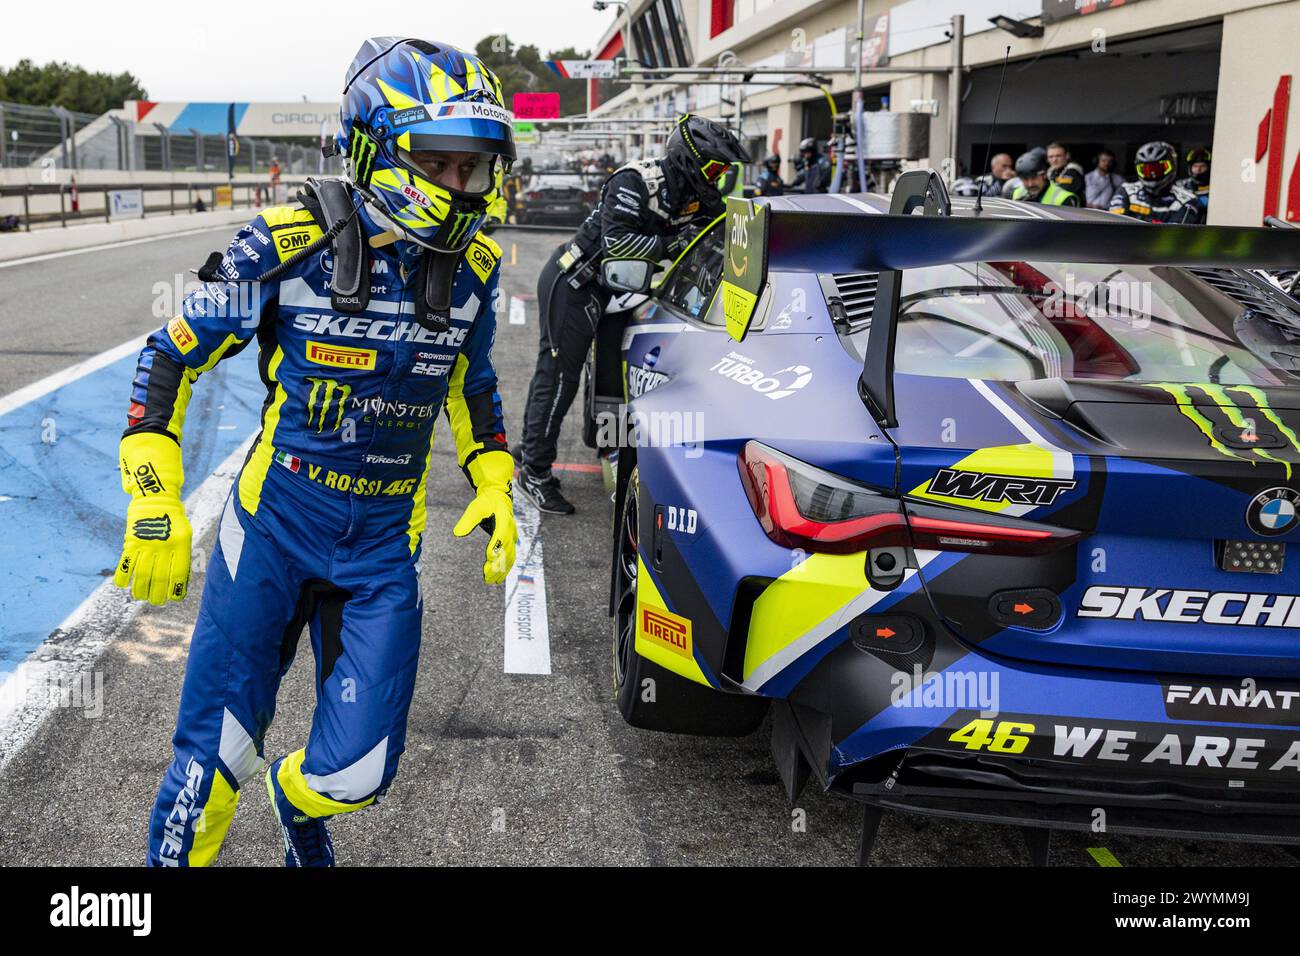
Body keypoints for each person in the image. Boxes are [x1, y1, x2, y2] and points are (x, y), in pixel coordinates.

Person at [118, 37, 518, 867]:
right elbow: (168, 357)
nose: (459, 186)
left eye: (474, 167)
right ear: (374, 149)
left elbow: (472, 390)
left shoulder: (475, 268)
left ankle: (297, 811)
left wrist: (495, 480)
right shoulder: (286, 241)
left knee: (357, 775)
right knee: (211, 768)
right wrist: (153, 494)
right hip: (271, 529)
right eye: (439, 163)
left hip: (380, 550)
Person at [514, 113, 749, 514]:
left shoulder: (701, 196)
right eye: (713, 167)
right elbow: (618, 240)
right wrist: (675, 241)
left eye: (724, 170)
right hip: (575, 281)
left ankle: (533, 444)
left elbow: (718, 242)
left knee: (610, 376)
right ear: (687, 159)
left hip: (621, 290)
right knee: (559, 377)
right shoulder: (636, 180)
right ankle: (534, 473)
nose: (718, 177)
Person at [1109, 140, 1202, 223]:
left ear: (1172, 167)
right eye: (1146, 170)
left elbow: (1174, 234)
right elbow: (1115, 224)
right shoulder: (1126, 190)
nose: (1153, 174)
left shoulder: (1187, 199)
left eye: (1159, 169)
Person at [1010, 149, 1081, 206]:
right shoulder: (1017, 193)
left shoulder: (1063, 198)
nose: (1030, 184)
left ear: (1044, 175)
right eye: (1025, 179)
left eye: (1034, 178)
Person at [1176, 146, 1211, 215]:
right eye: (1195, 166)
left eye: (1202, 166)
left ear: (1208, 167)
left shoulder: (1214, 185)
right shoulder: (1180, 185)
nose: (1198, 169)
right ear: (1190, 168)